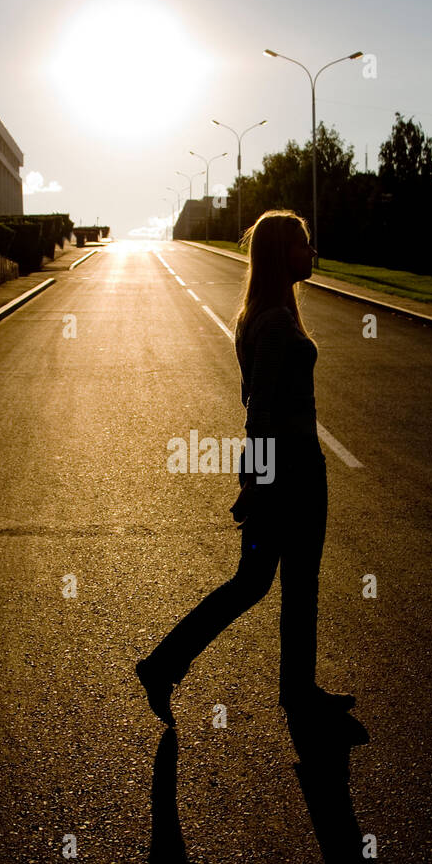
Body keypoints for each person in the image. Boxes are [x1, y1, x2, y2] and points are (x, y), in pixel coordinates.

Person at [136, 209, 355, 726]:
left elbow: (255, 403)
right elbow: (258, 407)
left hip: (279, 471)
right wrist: (258, 480)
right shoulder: (277, 321)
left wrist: (254, 476)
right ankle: (290, 692)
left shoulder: (261, 314)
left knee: (256, 583)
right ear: (282, 254)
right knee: (292, 583)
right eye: (302, 244)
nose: (311, 252)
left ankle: (168, 665)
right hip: (292, 474)